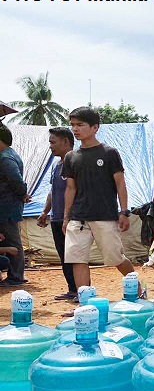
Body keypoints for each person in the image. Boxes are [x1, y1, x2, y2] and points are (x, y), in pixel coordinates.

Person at [62, 106, 137, 290]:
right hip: (78, 218)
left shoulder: (109, 153)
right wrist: (66, 217)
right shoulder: (71, 157)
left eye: (80, 125)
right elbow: (70, 188)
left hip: (105, 216)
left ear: (95, 127)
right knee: (77, 259)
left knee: (116, 258)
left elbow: (120, 184)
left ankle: (138, 290)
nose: (75, 129)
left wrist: (124, 212)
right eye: (73, 125)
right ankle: (84, 300)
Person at [37, 127, 78, 300]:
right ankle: (72, 289)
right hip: (56, 218)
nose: (50, 146)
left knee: (75, 256)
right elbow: (52, 191)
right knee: (64, 255)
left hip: (72, 218)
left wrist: (71, 216)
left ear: (66, 142)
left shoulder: (76, 161)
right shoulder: (56, 165)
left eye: (53, 142)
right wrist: (45, 212)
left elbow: (77, 190)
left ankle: (81, 290)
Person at [0, 123, 28, 286]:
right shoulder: (9, 155)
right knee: (8, 240)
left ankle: (16, 276)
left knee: (12, 241)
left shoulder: (5, 158)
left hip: (7, 207)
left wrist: (22, 194)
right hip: (8, 206)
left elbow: (17, 181)